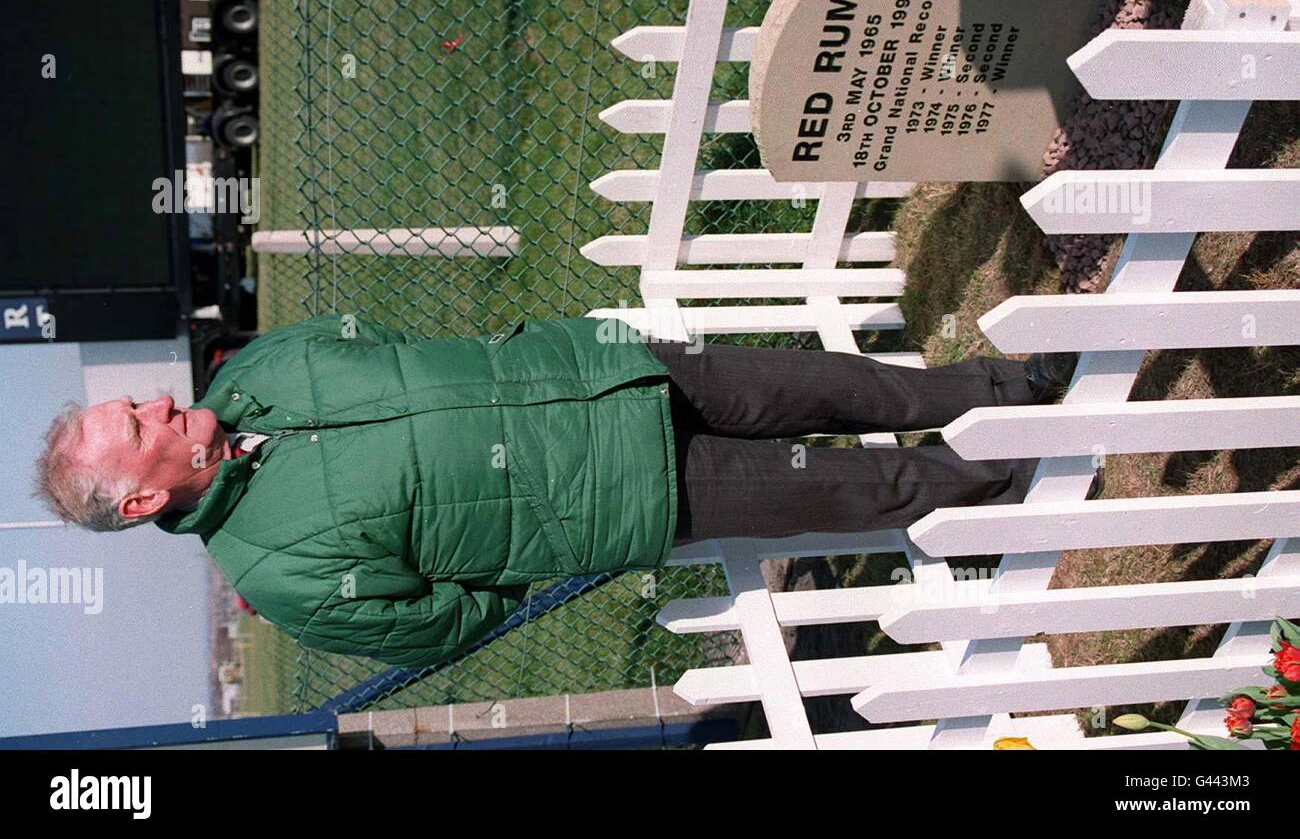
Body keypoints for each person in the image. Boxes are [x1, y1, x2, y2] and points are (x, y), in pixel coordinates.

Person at [33, 313, 1085, 668]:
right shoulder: (281, 575)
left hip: (602, 369)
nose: (157, 406)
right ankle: (1028, 463)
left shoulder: (253, 372)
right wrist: (543, 532)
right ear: (138, 502)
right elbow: (446, 625)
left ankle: (995, 386)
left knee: (819, 380)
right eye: (137, 429)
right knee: (857, 488)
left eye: (138, 402)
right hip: (628, 490)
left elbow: (400, 346)